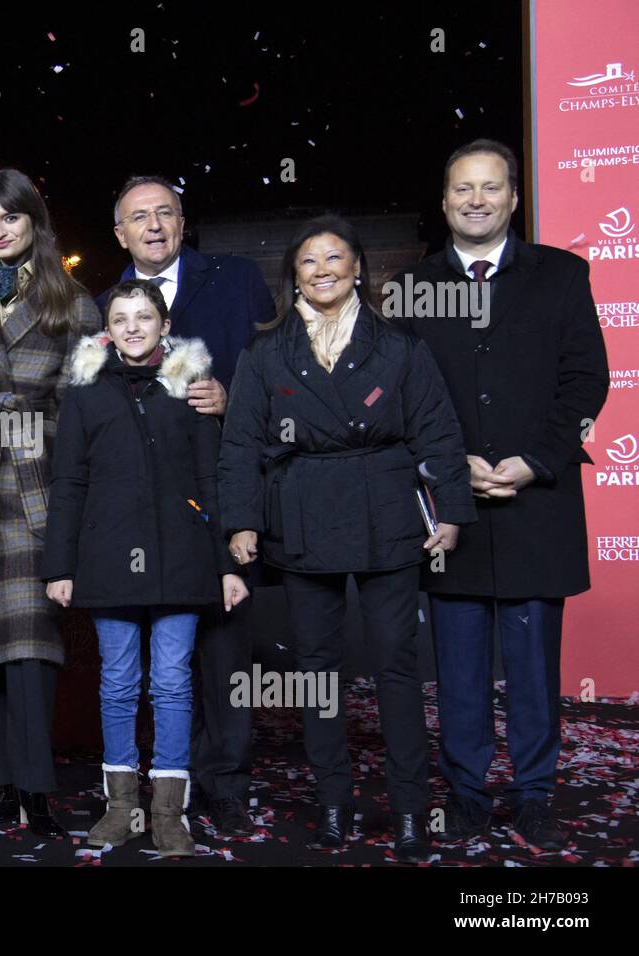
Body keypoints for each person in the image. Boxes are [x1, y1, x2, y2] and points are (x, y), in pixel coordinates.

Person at [218, 214, 475, 863]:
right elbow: (242, 442)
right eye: (309, 261)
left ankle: (412, 808)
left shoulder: (399, 346)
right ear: (294, 275)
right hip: (303, 516)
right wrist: (241, 520)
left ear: (358, 267)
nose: (323, 269)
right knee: (318, 673)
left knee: (395, 663)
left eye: (336, 258)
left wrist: (448, 511)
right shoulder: (266, 352)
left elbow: (439, 432)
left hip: (388, 513)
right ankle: (334, 803)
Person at [391, 140, 609, 852]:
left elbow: (586, 383)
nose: (475, 200)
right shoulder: (410, 287)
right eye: (462, 189)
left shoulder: (561, 275)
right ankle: (464, 793)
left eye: (490, 188)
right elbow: (401, 397)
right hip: (451, 510)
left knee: (533, 669)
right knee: (455, 669)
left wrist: (535, 462)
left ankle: (535, 791)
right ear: (445, 200)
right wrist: (449, 467)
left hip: (535, 504)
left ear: (514, 198)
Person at [42, 279, 249, 858]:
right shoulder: (84, 393)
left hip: (183, 561)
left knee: (173, 683)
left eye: (145, 316)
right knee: (117, 683)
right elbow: (69, 484)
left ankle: (168, 812)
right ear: (108, 328)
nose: (133, 327)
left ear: (163, 324)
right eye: (122, 317)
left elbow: (211, 480)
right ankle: (119, 806)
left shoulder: (192, 389)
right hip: (108, 560)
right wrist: (61, 565)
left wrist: (226, 563)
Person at [98, 174, 275, 834]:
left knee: (223, 644)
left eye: (164, 214)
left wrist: (234, 401)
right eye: (137, 218)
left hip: (222, 491)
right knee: (156, 661)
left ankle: (223, 780)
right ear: (120, 234)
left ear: (181, 222)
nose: (152, 225)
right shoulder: (100, 306)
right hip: (142, 512)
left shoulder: (235, 280)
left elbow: (272, 369)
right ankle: (153, 784)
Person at [0, 169, 100, 836]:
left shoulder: (75, 303)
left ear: (35, 221)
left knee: (33, 642)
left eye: (12, 217)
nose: (0, 229)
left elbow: (87, 410)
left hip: (37, 485)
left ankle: (36, 787)